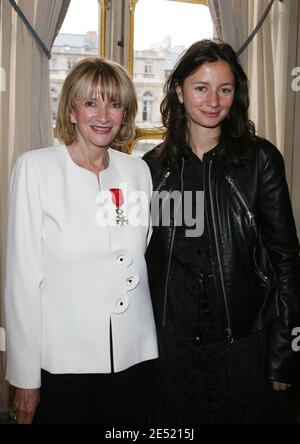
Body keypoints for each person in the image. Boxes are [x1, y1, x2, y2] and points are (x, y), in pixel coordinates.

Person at [144, 40, 300, 424]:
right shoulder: (152, 167)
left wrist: (284, 352)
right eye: (201, 87)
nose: (213, 100)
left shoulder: (260, 160)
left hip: (244, 343)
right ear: (179, 91)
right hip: (173, 347)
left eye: (225, 89)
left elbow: (285, 259)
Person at [5, 57, 158, 424]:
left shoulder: (138, 171)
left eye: (115, 103)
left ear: (125, 113)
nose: (104, 114)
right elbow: (22, 281)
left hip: (131, 361)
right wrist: (25, 378)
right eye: (91, 102)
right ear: (71, 111)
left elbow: (140, 252)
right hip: (61, 366)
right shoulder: (35, 168)